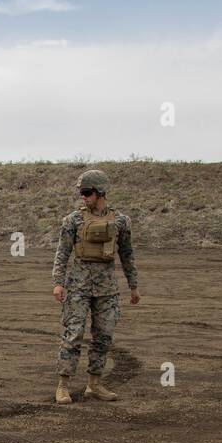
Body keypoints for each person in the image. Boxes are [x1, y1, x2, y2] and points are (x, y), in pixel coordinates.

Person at [51, 168, 140, 404]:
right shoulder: (73, 220)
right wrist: (58, 283)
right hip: (78, 287)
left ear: (101, 192)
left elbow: (127, 255)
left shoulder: (121, 221)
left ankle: (94, 384)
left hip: (107, 289)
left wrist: (133, 286)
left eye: (87, 192)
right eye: (81, 192)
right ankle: (63, 386)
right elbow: (62, 253)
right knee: (73, 335)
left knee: (104, 336)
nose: (83, 196)